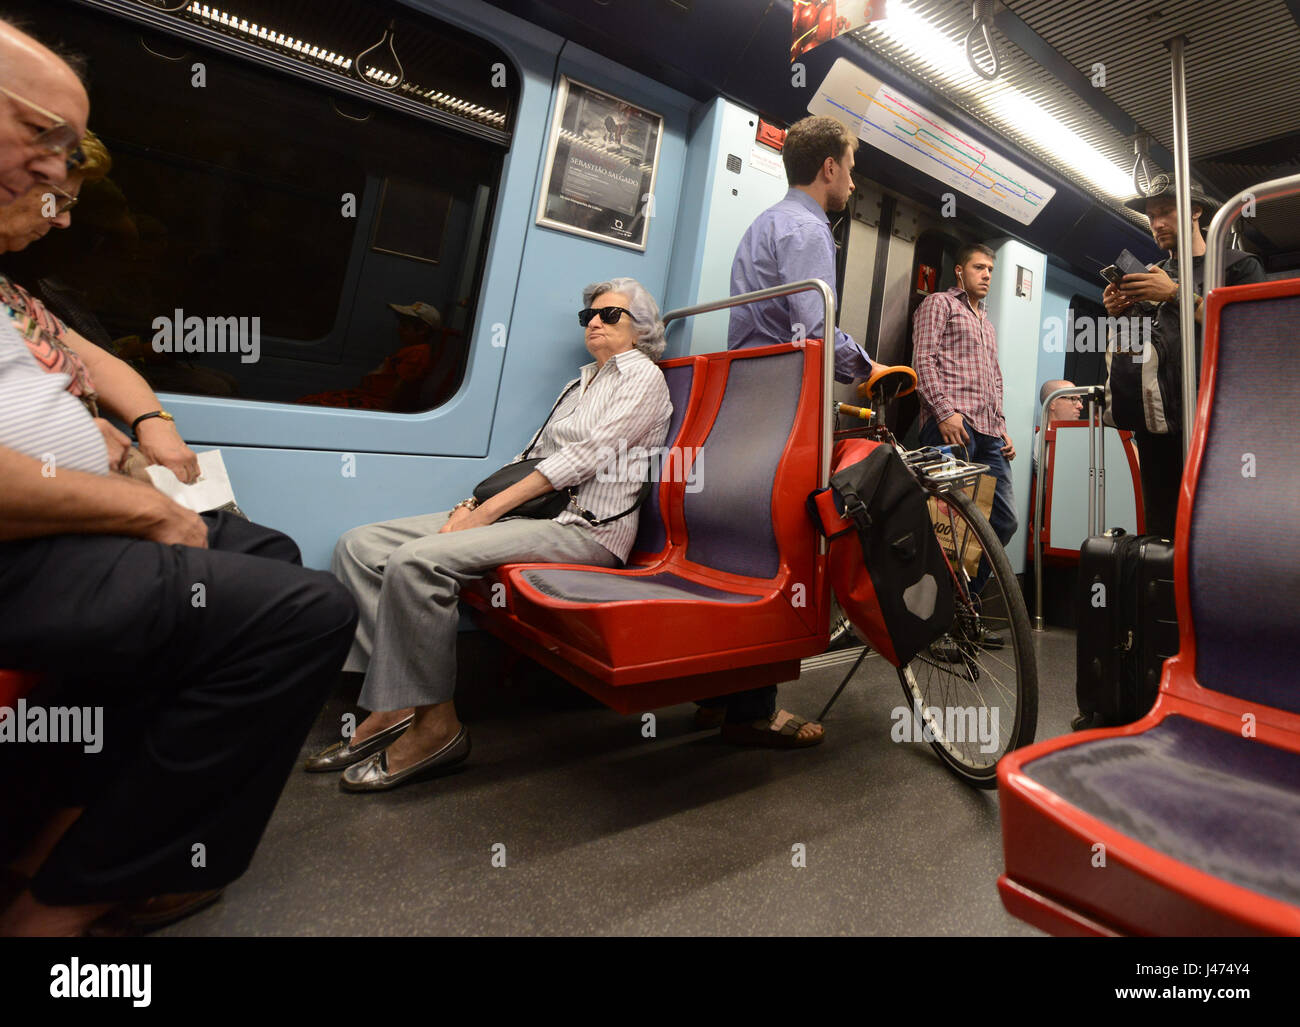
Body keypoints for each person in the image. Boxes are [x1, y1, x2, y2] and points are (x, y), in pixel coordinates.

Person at [0, 22, 358, 936]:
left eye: (69, 157)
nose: (58, 182)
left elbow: (101, 366)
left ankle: (72, 821)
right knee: (305, 612)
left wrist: (148, 427)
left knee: (267, 553)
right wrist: (138, 509)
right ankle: (63, 900)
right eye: (45, 137)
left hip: (67, 527)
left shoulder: (11, 293)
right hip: (27, 546)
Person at [305, 278, 672, 791]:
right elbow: (528, 459)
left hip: (586, 529)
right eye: (587, 315)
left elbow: (584, 458)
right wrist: (472, 504)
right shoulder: (581, 382)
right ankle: (396, 706)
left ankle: (438, 730)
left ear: (643, 330)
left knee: (417, 561)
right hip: (533, 515)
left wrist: (486, 515)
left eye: (610, 315)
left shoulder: (643, 378)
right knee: (359, 547)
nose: (593, 322)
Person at [0, 131, 199, 482]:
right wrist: (72, 437)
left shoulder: (13, 296)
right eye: (57, 201)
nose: (63, 221)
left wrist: (154, 421)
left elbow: (96, 360)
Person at [1102, 174, 1266, 539]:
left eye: (1166, 212)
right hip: (1160, 426)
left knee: (1218, 527)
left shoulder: (1237, 266)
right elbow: (1144, 348)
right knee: (1164, 531)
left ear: (1194, 211)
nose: (1156, 223)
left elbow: (1251, 331)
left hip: (1218, 421)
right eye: (1151, 215)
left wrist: (1175, 294)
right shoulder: (1150, 276)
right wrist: (1120, 313)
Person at [728, 114, 880, 384]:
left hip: (743, 376)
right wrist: (868, 367)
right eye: (850, 169)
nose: (852, 183)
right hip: (779, 382)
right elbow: (815, 331)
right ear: (830, 168)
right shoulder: (809, 229)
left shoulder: (765, 222)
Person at [913, 242, 1017, 576]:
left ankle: (966, 607)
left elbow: (995, 379)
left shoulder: (987, 324)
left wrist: (1001, 426)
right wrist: (943, 412)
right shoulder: (939, 304)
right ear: (960, 270)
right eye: (979, 267)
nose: (987, 274)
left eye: (990, 269)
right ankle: (932, 607)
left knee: (1004, 521)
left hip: (989, 434)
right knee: (945, 524)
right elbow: (923, 360)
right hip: (954, 425)